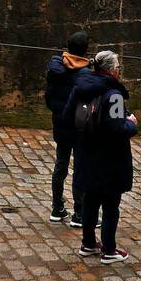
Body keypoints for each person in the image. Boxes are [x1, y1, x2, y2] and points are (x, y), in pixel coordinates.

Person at [62, 49, 137, 264]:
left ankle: (88, 243)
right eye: (118, 68)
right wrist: (131, 124)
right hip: (110, 158)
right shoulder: (113, 94)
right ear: (112, 71)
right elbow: (117, 129)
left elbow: (67, 118)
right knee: (111, 204)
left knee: (91, 199)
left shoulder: (81, 88)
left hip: (86, 153)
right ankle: (109, 250)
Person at [44, 30, 90, 225]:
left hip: (60, 122)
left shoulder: (55, 68)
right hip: (79, 126)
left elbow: (49, 97)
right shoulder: (84, 74)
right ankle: (79, 213)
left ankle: (57, 207)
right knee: (79, 167)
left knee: (61, 164)